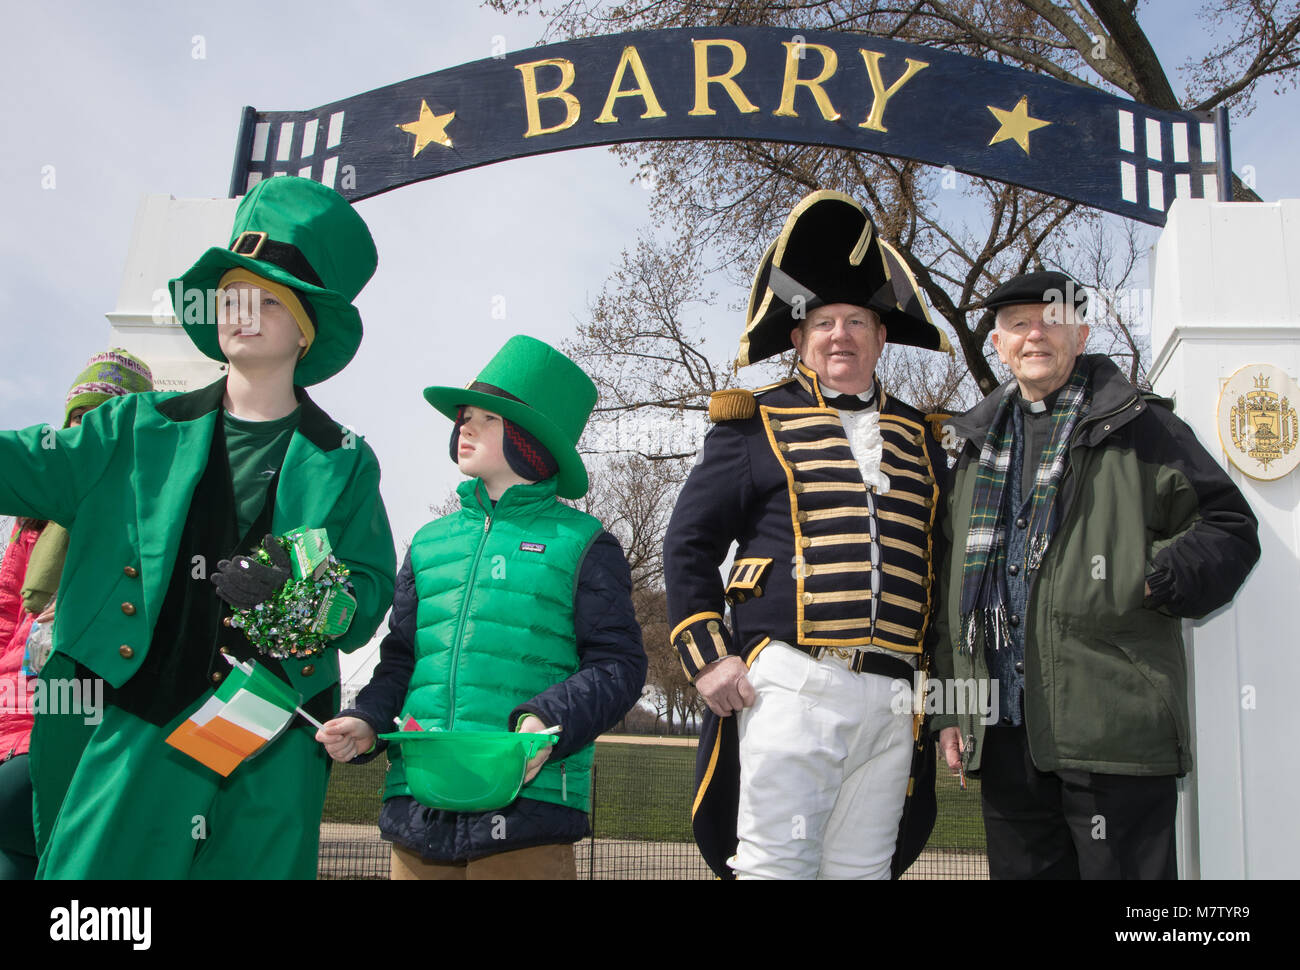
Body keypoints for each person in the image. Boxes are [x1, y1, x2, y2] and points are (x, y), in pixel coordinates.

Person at [0, 175, 397, 878]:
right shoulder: (130, 428)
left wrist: (302, 593)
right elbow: (20, 464)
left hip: (269, 734)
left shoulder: (345, 460)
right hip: (133, 717)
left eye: (267, 299)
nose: (241, 311)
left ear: (305, 328)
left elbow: (364, 599)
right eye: (231, 294)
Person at [932, 270, 1260, 879]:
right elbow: (953, 594)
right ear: (999, 344)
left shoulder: (1142, 427)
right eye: (1017, 325)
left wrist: (1147, 578)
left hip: (1115, 732)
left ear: (1080, 335)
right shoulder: (972, 449)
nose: (1035, 336)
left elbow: (1229, 526)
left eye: (1050, 321)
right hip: (1004, 737)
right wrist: (951, 708)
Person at [663, 190, 952, 879]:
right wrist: (709, 655)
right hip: (795, 681)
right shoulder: (752, 422)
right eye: (824, 322)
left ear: (883, 337)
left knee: (863, 872)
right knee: (776, 868)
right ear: (798, 339)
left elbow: (940, 571)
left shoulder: (926, 437)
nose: (841, 335)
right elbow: (689, 543)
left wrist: (942, 694)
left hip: (894, 696)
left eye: (858, 320)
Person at [317, 334, 646, 880]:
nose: (463, 426)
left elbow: (619, 665)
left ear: (530, 439)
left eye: (485, 418)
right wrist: (367, 719)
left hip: (530, 806)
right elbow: (400, 660)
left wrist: (549, 720)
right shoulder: (428, 543)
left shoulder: (585, 543)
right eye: (463, 416)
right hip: (418, 802)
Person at [0, 349, 153, 879]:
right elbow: (5, 615)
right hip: (11, 712)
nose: (83, 434)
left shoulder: (142, 517)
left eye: (100, 420)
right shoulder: (33, 517)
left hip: (72, 719)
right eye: (76, 420)